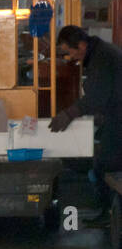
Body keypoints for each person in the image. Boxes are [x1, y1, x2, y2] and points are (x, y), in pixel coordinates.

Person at [51, 25, 122, 225]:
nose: (71, 56)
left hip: (119, 117)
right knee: (103, 161)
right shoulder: (101, 53)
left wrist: (69, 114)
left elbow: (96, 96)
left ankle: (108, 214)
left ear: (81, 44)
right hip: (115, 115)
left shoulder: (102, 57)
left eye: (70, 50)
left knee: (105, 163)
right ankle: (108, 213)